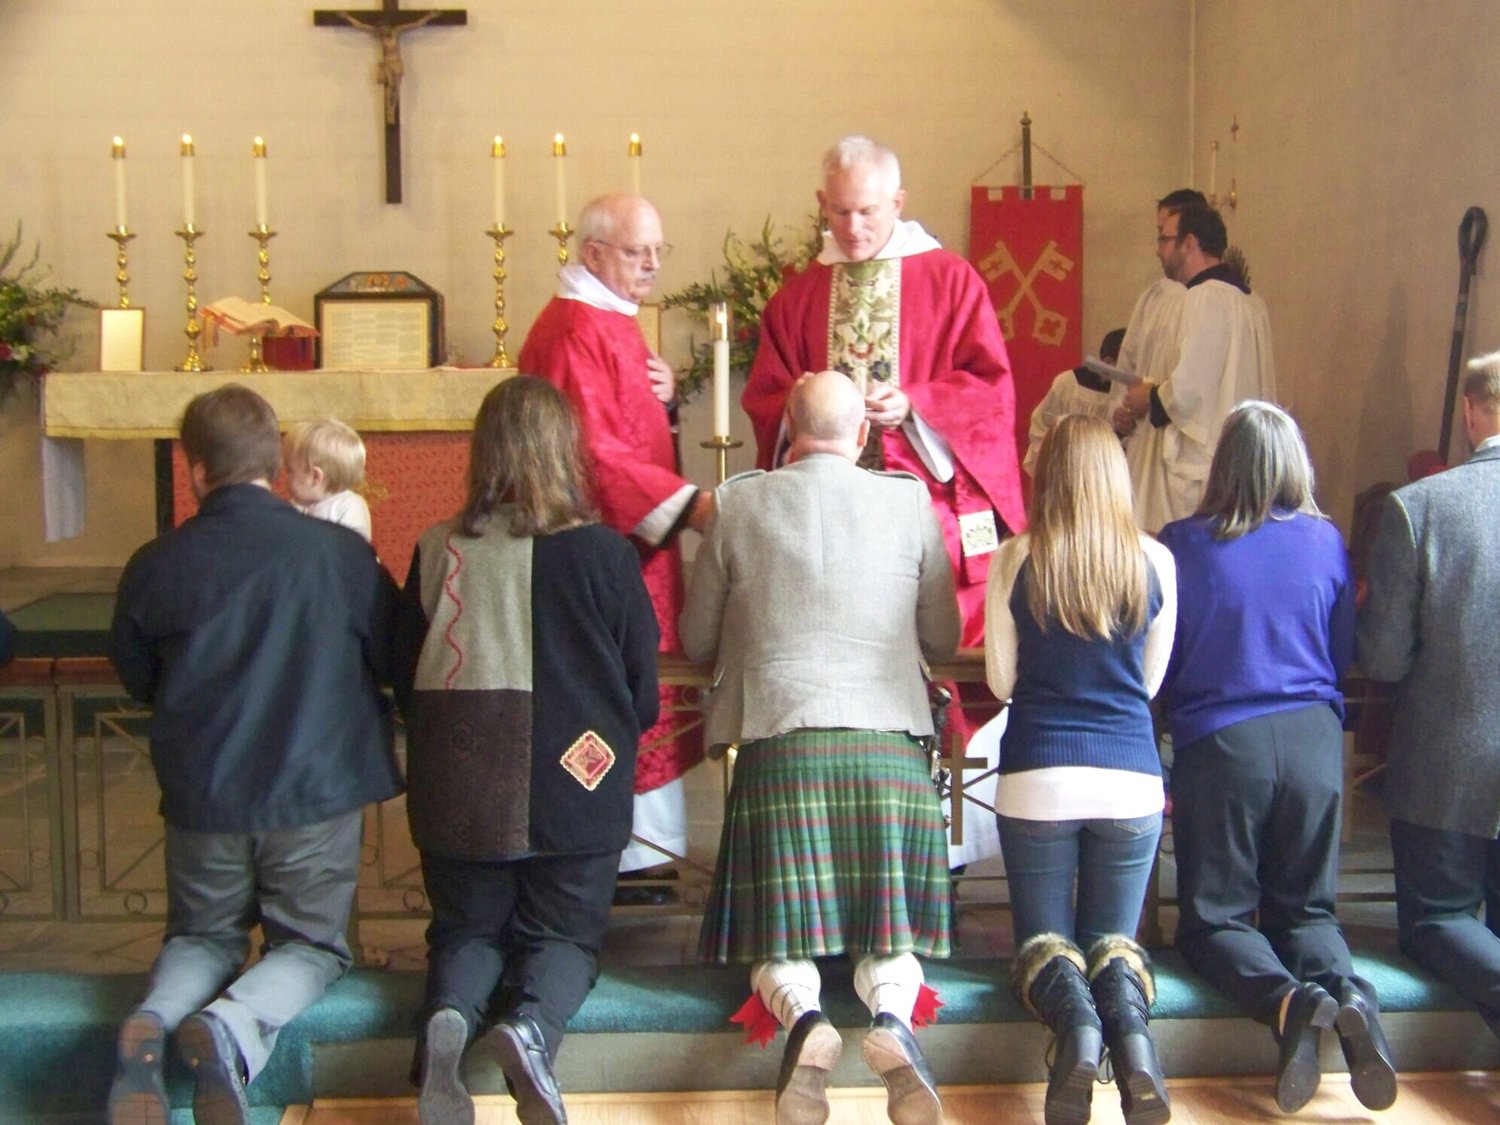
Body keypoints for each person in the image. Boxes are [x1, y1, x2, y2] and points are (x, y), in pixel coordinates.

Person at [106, 384, 402, 1125]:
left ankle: (156, 1019)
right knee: (312, 946)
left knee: (202, 935)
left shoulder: (157, 561)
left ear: (194, 467)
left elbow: (137, 675)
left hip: (206, 791)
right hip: (314, 790)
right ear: (277, 462)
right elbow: (397, 653)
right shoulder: (340, 554)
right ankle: (233, 1024)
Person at [682, 371, 960, 1125]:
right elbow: (943, 637)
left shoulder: (739, 501)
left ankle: (805, 1019)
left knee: (783, 931)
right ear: (863, 435)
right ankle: (894, 1024)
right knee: (889, 928)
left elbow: (696, 637)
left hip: (782, 742)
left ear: (784, 428)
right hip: (890, 749)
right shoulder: (908, 502)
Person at [395, 376, 659, 1125]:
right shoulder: (605, 555)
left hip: (459, 775)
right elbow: (642, 686)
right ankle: (531, 1027)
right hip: (577, 776)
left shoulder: (435, 547)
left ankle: (448, 1015)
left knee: (468, 928)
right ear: (564, 451)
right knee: (564, 932)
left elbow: (402, 667)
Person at [1160, 402, 1396, 1114]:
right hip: (1314, 741)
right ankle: (1353, 999)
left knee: (1216, 921)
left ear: (1224, 465)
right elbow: (1343, 651)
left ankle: (1291, 1003)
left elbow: (1161, 660)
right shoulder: (1325, 542)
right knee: (1307, 911)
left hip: (1224, 741)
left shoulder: (1181, 543)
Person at [986, 414, 1176, 1125]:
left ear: (1048, 476)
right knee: (1112, 941)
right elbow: (1150, 683)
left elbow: (1004, 682)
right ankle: (1133, 1045)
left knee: (1044, 943)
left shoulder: (1016, 557)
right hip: (1130, 774)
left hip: (1038, 771)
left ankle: (1077, 1031)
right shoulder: (1156, 561)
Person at [518, 193, 709, 890]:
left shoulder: (608, 317)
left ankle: (649, 854)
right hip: (604, 554)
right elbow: (591, 452)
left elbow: (626, 418)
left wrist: (663, 396)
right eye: (637, 251)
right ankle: (625, 856)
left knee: (645, 682)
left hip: (635, 550)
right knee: (620, 687)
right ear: (593, 253)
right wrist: (686, 504)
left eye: (659, 250)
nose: (653, 263)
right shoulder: (574, 330)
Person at [1358, 350, 1500, 1047]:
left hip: (1446, 765)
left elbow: (1382, 659)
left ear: (1472, 414)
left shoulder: (1420, 507)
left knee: (1439, 921)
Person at [1114, 200, 1275, 533]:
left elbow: (1187, 392)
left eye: (1165, 239)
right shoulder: (1252, 302)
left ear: (1189, 243)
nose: (1159, 251)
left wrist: (1149, 396)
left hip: (1199, 467)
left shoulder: (1203, 298)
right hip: (1242, 459)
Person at [1023, 327, 1127, 476]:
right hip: (1069, 471)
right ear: (1108, 363)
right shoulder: (1068, 384)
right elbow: (1041, 426)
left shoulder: (1129, 393)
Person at [284, 417, 374, 541]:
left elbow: (353, 551)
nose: (285, 477)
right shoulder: (297, 506)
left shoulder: (348, 506)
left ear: (316, 477)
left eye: (290, 471)